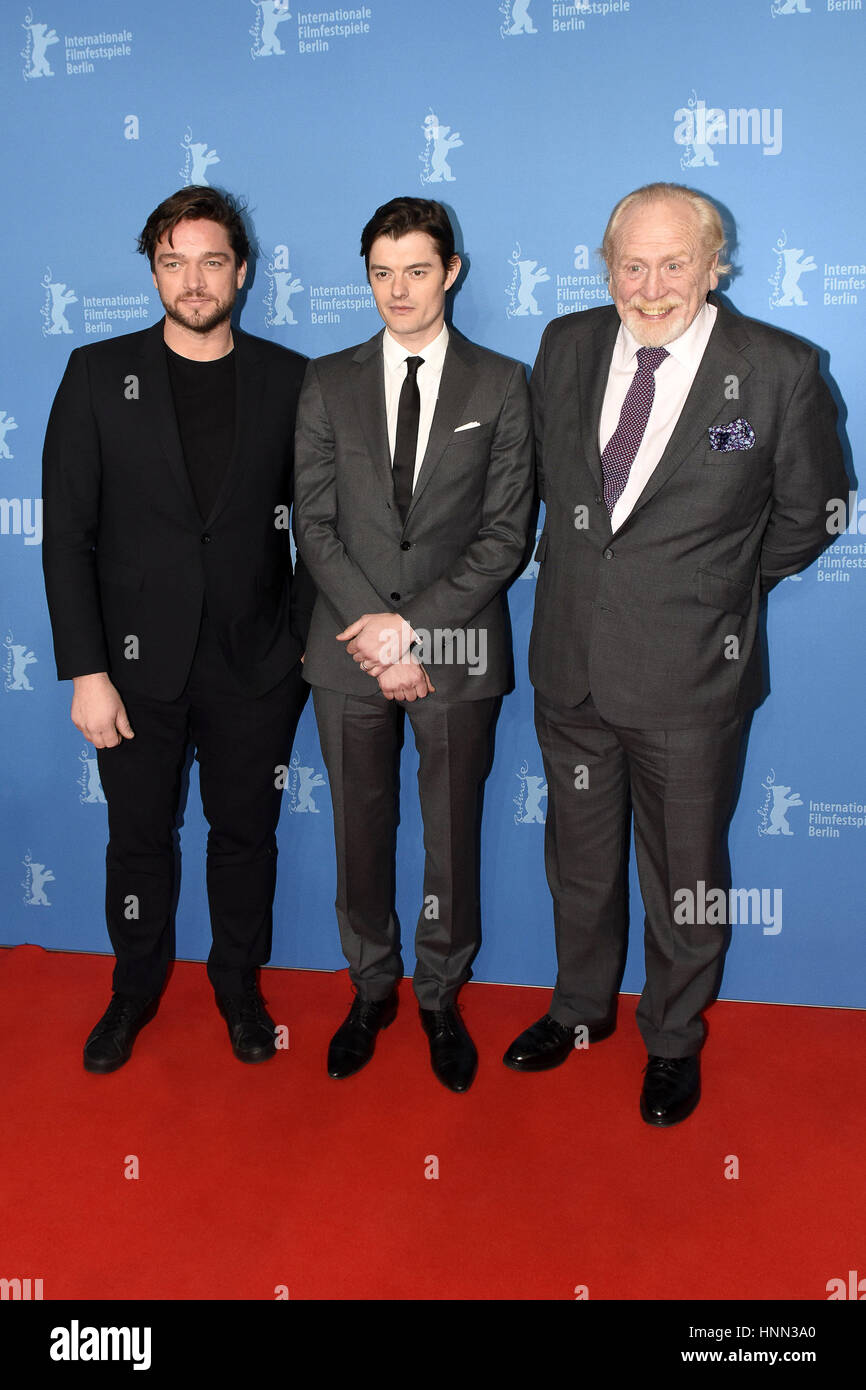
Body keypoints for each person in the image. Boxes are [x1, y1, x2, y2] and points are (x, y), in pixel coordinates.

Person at [505, 181, 847, 1124]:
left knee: (685, 876)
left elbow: (815, 512)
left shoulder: (778, 369)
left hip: (694, 672)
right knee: (577, 861)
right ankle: (580, 1014)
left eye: (674, 263)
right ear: (606, 265)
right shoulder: (566, 346)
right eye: (631, 263)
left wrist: (724, 586)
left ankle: (672, 1038)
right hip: (570, 661)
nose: (651, 286)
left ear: (715, 264)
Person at [42, 186, 312, 1073]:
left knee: (246, 840)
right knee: (138, 839)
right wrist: (86, 671)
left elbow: (323, 528)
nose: (192, 281)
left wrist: (299, 647)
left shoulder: (290, 379)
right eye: (172, 262)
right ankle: (133, 989)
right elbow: (67, 537)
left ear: (242, 269)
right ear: (152, 269)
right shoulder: (95, 375)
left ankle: (238, 985)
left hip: (257, 666)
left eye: (210, 261)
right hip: (130, 671)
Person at [294, 197, 534, 1092]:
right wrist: (377, 631)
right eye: (382, 272)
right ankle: (370, 988)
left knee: (450, 837)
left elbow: (506, 536)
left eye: (417, 270)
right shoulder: (325, 381)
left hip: (456, 650)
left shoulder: (503, 384)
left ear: (453, 271)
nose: (399, 289)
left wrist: (415, 629)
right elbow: (313, 526)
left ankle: (439, 995)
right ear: (368, 278)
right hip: (346, 649)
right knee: (360, 833)